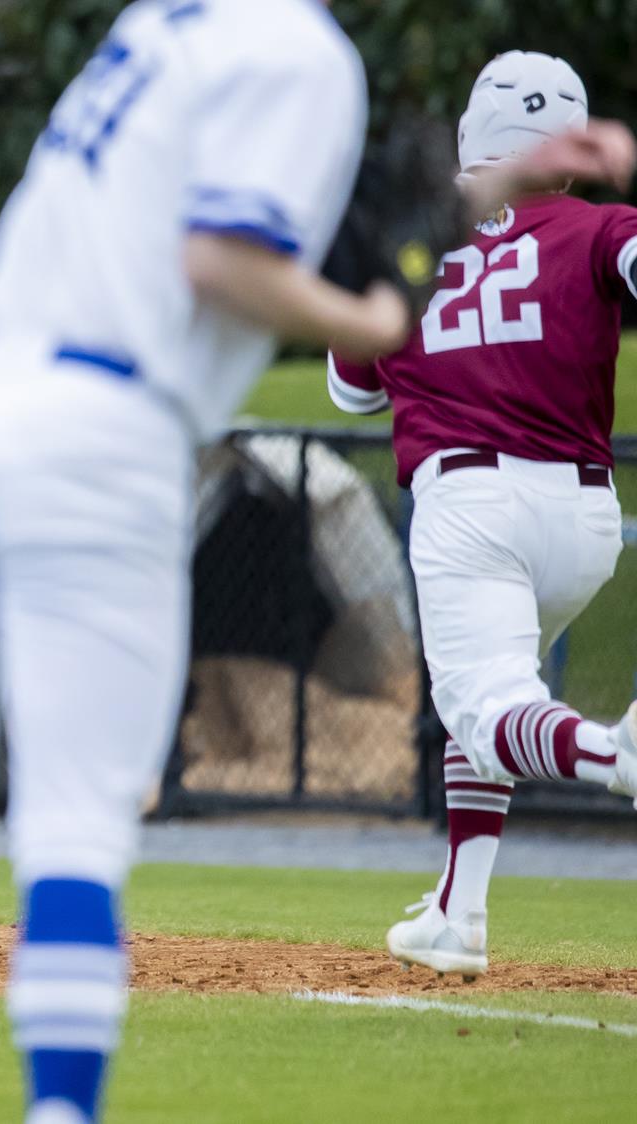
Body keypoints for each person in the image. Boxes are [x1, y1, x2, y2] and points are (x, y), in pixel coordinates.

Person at [0, 3, 635, 1122]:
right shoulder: (298, 49)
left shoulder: (157, 25)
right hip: (97, 430)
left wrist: (451, 230)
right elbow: (222, 260)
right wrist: (366, 312)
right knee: (76, 831)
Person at [323, 51, 637, 980]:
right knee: (488, 705)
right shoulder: (598, 225)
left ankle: (613, 755)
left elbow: (350, 393)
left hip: (469, 502)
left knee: (487, 703)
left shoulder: (413, 243)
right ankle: (459, 913)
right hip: (584, 520)